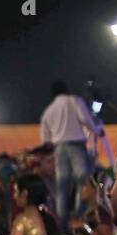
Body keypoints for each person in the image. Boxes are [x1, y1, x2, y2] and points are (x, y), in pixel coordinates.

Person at [39, 80, 95, 225]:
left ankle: (62, 224)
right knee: (82, 182)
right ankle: (78, 217)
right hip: (77, 146)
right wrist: (96, 130)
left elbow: (45, 139)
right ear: (66, 89)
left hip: (59, 148)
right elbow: (85, 119)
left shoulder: (49, 110)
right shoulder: (74, 101)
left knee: (62, 186)